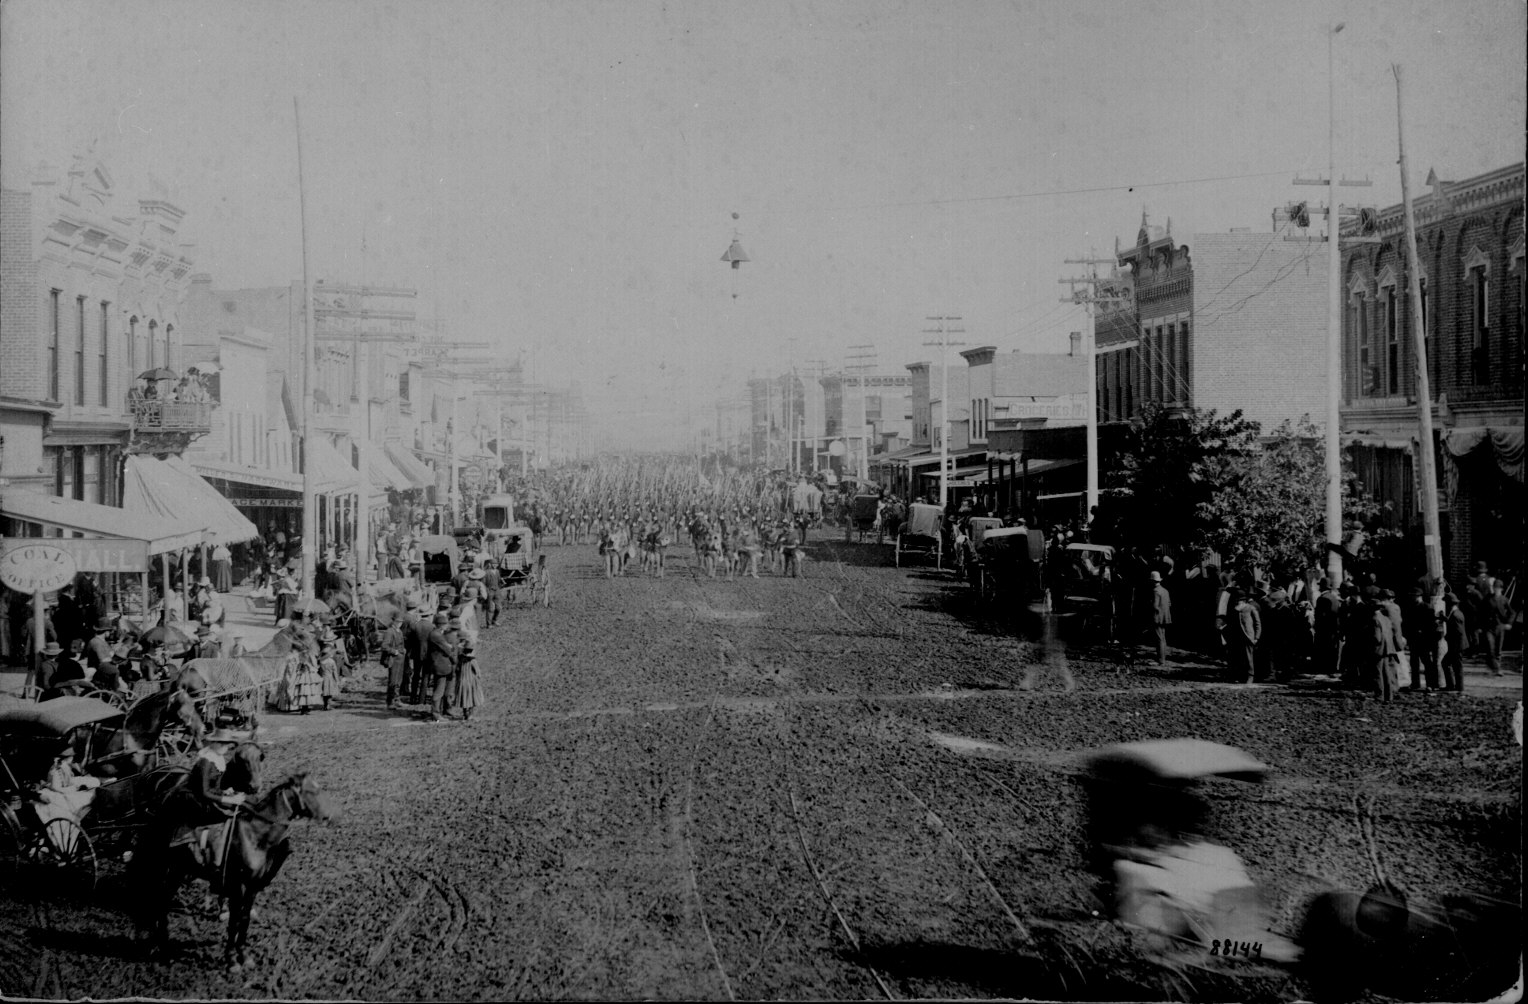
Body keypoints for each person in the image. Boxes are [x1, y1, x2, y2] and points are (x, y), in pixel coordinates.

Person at [34, 742, 101, 828]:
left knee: (91, 783)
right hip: (57, 791)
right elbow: (56, 787)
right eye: (72, 756)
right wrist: (73, 789)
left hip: (64, 788)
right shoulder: (57, 769)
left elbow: (68, 780)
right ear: (68, 758)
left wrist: (78, 783)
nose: (73, 758)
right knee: (76, 800)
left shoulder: (65, 766)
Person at [426, 612, 457, 722]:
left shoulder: (438, 633)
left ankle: (445, 710)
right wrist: (451, 648)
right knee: (439, 691)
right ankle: (436, 713)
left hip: (444, 665)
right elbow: (448, 650)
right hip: (440, 666)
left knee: (447, 690)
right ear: (441, 625)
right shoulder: (436, 635)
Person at [1228, 589, 1261, 684]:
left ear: (1243, 600)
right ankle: (1240, 676)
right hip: (1237, 636)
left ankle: (1250, 676)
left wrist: (1256, 637)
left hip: (1248, 636)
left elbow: (1257, 623)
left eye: (1238, 600)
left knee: (1248, 657)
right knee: (1239, 657)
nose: (1237, 602)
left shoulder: (1250, 608)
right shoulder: (1234, 609)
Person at [1481, 578, 1513, 676]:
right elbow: (1481, 613)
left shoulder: (1504, 600)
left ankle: (1494, 666)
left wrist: (1509, 623)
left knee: (1498, 649)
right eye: (1495, 588)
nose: (1496, 590)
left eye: (1498, 588)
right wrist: (1480, 626)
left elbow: (1512, 613)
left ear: (1501, 589)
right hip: (1488, 627)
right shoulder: (1487, 598)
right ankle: (1496, 668)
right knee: (1490, 648)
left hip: (1500, 627)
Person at [1442, 591, 1467, 694]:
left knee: (1455, 665)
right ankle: (1453, 686)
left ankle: (1458, 687)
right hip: (1457, 645)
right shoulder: (1456, 613)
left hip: (1456, 645)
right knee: (1449, 664)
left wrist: (1449, 639)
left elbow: (1458, 632)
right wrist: (1444, 619)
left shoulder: (1456, 615)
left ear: (1449, 604)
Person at [454, 640, 484, 721]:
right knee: (472, 698)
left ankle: (465, 714)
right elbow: (478, 672)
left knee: (463, 698)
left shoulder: (460, 659)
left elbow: (457, 669)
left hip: (462, 680)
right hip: (470, 681)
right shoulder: (473, 661)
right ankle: (470, 714)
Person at [1149, 571, 1172, 667]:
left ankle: (1160, 660)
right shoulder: (1165, 590)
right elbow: (1169, 603)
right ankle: (1163, 659)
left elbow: (1155, 606)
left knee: (1159, 639)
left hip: (1157, 617)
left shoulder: (1155, 591)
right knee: (1163, 638)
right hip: (1165, 617)